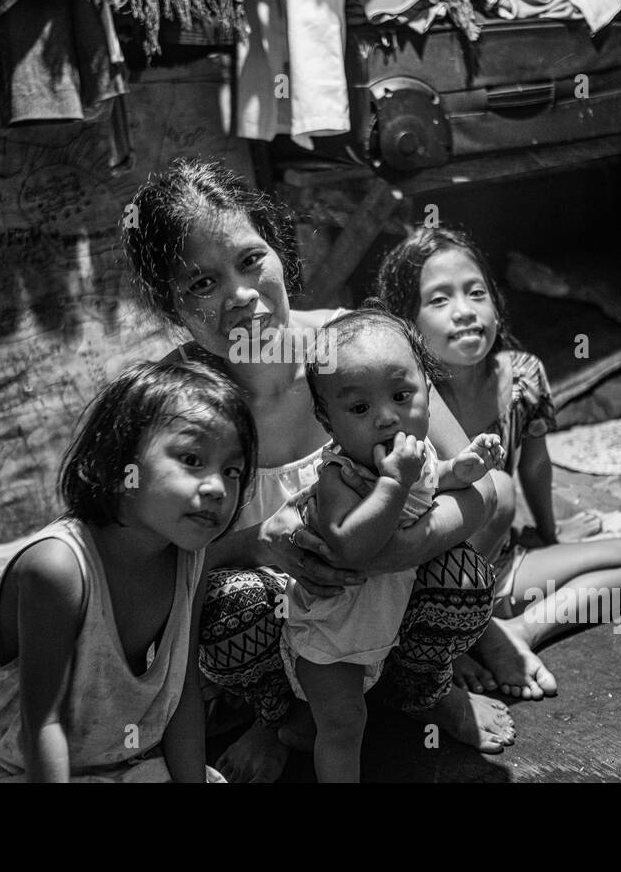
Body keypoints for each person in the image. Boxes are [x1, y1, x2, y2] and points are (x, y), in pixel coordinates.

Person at [122, 158, 516, 782]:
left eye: (251, 259)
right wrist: (255, 543)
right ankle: (275, 717)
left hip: (391, 599)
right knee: (232, 606)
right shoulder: (178, 403)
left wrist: (394, 549)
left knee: (463, 574)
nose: (242, 294)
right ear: (170, 305)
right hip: (290, 637)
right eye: (202, 284)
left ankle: (421, 694)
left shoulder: (357, 351)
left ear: (280, 252)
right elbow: (143, 568)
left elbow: (484, 494)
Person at [376, 226, 621, 700]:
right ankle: (449, 634)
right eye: (439, 300)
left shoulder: (525, 375)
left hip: (501, 568)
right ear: (408, 323)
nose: (465, 311)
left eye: (476, 292)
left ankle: (516, 632)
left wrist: (552, 535)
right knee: (496, 487)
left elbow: (538, 465)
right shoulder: (406, 399)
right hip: (424, 583)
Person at [0, 360, 254, 781]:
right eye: (191, 459)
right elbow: (45, 724)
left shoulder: (190, 555)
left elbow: (183, 690)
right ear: (118, 465)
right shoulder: (58, 570)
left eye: (232, 470)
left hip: (123, 766)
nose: (218, 488)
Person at [284, 309, 507, 781]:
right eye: (360, 409)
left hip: (384, 629)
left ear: (427, 392)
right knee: (344, 727)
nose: (387, 417)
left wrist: (467, 467)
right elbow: (349, 547)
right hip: (331, 638)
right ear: (328, 420)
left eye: (401, 395)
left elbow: (437, 479)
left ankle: (412, 698)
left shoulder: (416, 456)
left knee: (354, 720)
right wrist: (391, 485)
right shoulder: (339, 477)